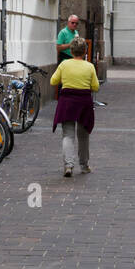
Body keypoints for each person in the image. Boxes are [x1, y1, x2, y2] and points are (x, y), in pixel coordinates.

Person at [51, 36, 99, 177]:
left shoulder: (64, 64)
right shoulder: (89, 66)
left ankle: (68, 165)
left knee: (68, 135)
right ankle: (84, 166)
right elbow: (95, 86)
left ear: (71, 51)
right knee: (83, 136)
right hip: (84, 102)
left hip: (67, 102)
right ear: (84, 51)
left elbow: (53, 81)